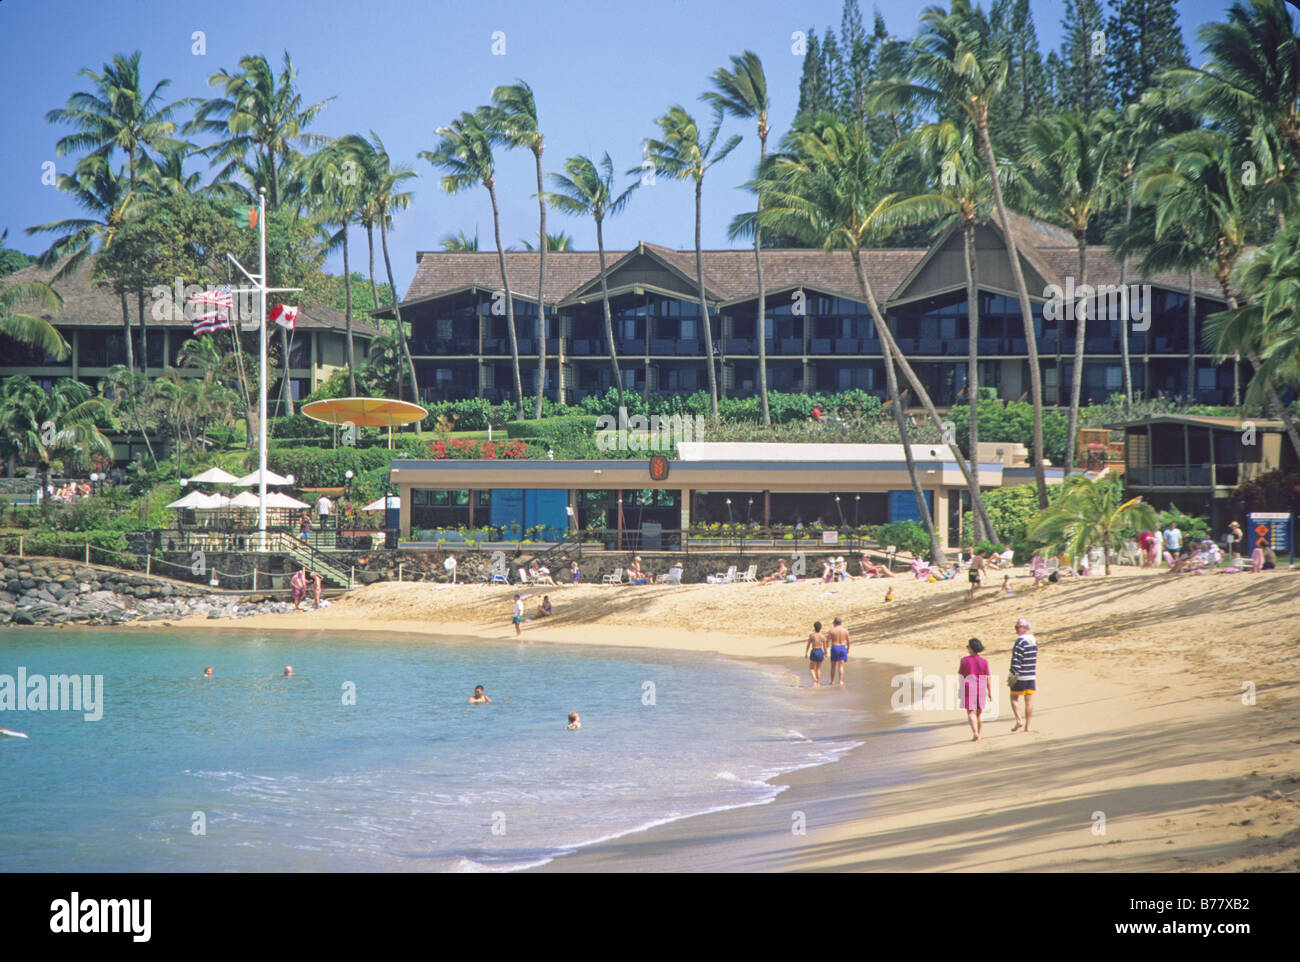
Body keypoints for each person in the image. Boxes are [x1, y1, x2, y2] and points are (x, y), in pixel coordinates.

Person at [959, 638, 992, 741]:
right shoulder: (984, 661)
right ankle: (979, 733)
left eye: (968, 646)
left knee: (970, 712)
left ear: (971, 649)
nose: (967, 648)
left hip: (969, 687)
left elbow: (961, 676)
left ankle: (975, 733)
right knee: (979, 713)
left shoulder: (964, 660)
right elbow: (988, 678)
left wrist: (960, 689)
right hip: (981, 687)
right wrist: (989, 692)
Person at [1009, 617, 1037, 733]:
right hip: (1031, 674)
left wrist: (1012, 674)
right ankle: (1028, 726)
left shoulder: (1020, 641)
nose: (1016, 629)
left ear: (1025, 628)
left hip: (1020, 674)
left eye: (1018, 627)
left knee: (1014, 698)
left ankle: (1019, 720)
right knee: (1028, 700)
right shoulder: (1033, 641)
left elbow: (1016, 659)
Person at [827, 617, 850, 687]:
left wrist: (826, 649)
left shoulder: (832, 631)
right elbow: (849, 641)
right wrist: (848, 649)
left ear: (834, 623)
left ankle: (832, 681)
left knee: (833, 666)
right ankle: (840, 681)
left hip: (835, 647)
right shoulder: (845, 631)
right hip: (843, 647)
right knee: (841, 666)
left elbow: (828, 641)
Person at [805, 620, 827, 687]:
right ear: (820, 628)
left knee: (811, 668)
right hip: (820, 651)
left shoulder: (812, 635)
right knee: (818, 668)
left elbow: (808, 645)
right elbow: (825, 646)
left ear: (814, 627)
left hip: (814, 651)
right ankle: (817, 682)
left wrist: (806, 652)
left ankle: (815, 680)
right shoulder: (823, 636)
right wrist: (826, 653)